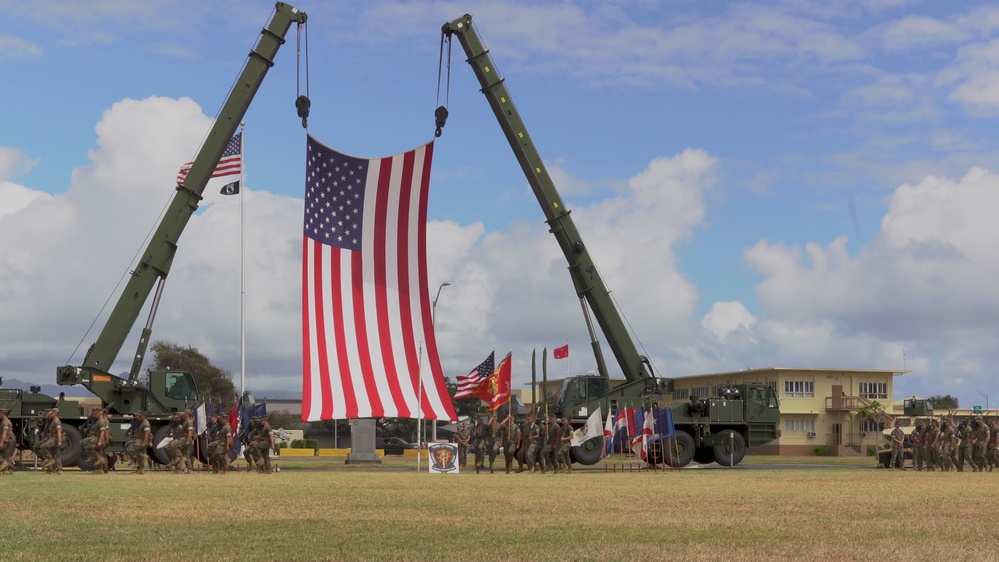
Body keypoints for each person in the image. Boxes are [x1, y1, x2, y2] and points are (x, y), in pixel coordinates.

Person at [81, 408, 110, 474]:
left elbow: (105, 431)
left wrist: (104, 440)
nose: (94, 414)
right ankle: (99, 470)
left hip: (101, 439)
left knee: (100, 454)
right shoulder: (97, 421)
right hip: (97, 438)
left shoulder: (103, 421)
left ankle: (104, 469)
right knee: (98, 453)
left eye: (95, 413)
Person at [36, 409, 63, 474]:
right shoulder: (52, 421)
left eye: (52, 413)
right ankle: (58, 470)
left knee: (44, 447)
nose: (51, 414)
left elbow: (59, 432)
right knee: (55, 453)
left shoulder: (57, 421)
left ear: (56, 413)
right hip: (52, 438)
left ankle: (50, 460)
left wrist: (59, 441)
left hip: (55, 438)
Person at [0, 408, 15, 474]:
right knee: (6, 455)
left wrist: (1, 442)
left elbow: (4, 433)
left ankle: (6, 469)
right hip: (8, 440)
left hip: (7, 440)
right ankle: (9, 470)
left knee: (6, 455)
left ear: (3, 414)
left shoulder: (5, 422)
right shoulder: (4, 421)